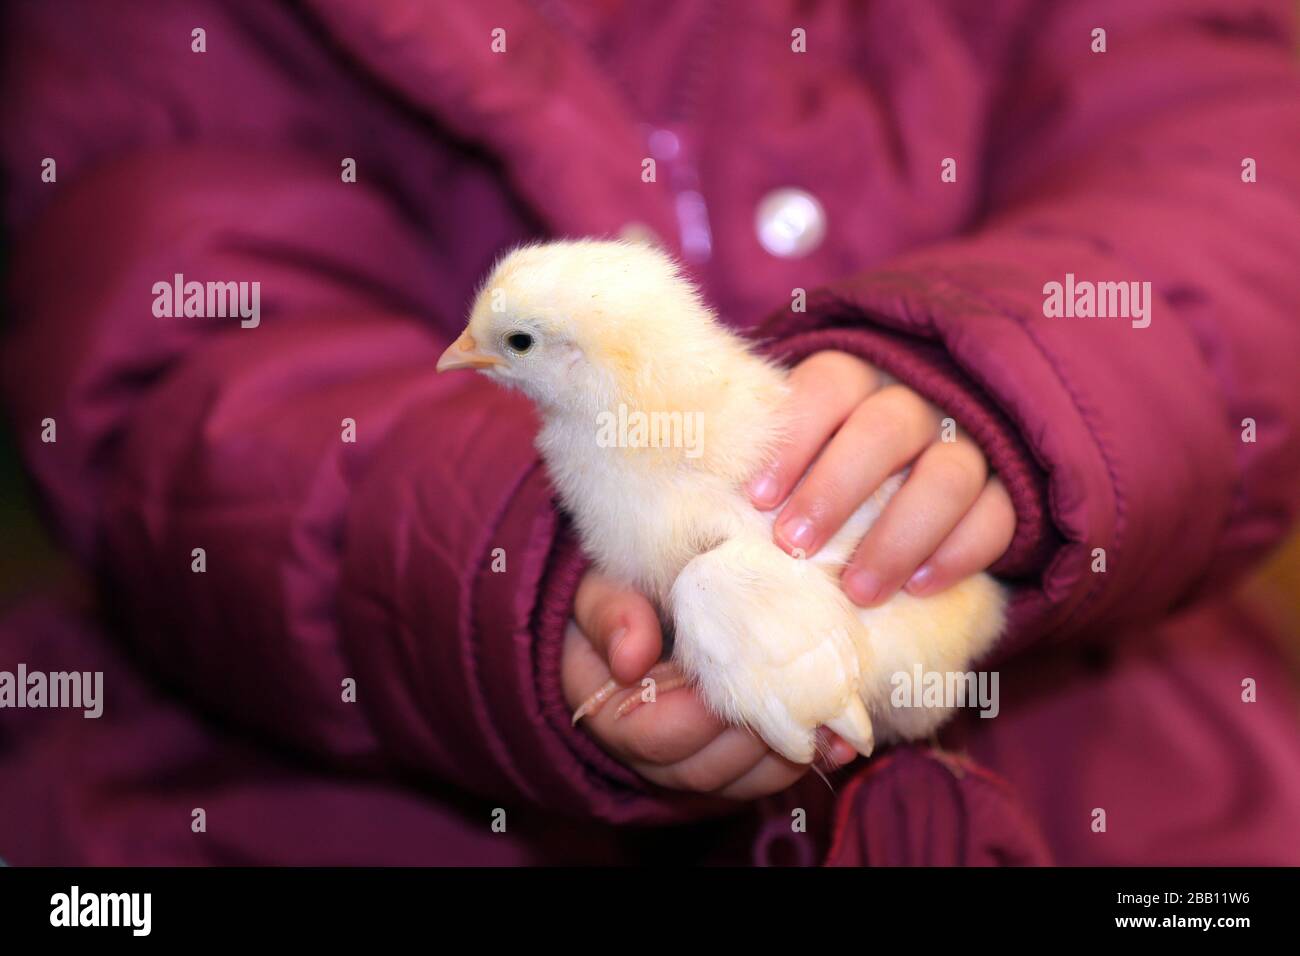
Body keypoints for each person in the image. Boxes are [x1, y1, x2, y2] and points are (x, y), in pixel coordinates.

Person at [2, 0, 1300, 865]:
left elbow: (1234, 187)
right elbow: (190, 375)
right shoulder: (187, 43)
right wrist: (497, 567)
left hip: (1090, 752)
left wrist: (1014, 383)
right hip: (331, 786)